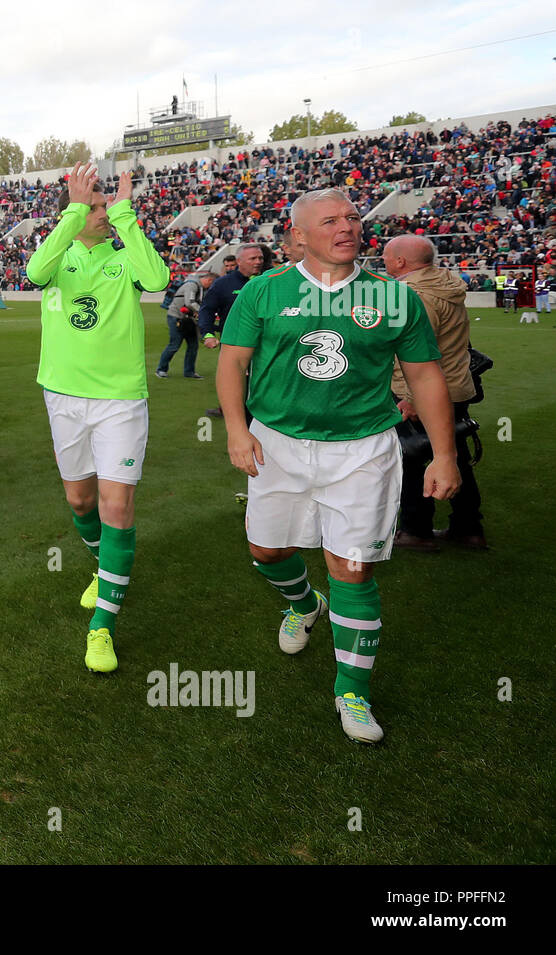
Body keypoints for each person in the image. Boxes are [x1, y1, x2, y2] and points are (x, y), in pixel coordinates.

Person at [215, 188, 460, 744]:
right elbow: (233, 364)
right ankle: (305, 603)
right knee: (266, 552)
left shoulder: (393, 298)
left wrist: (444, 454)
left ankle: (352, 690)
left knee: (353, 568)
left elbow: (424, 375)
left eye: (352, 217)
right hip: (276, 444)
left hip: (362, 449)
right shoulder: (263, 292)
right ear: (299, 235)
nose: (347, 226)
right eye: (330, 220)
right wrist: (235, 428)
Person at [26, 162, 170, 673]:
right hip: (63, 396)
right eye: (100, 206)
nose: (106, 213)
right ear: (76, 211)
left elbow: (157, 277)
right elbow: (33, 273)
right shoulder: (58, 253)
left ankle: (102, 627)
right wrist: (72, 208)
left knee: (117, 505)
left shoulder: (125, 255)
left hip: (120, 401)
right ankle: (102, 566)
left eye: (109, 206)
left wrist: (127, 214)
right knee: (80, 500)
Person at [383, 235, 486, 551]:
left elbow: (416, 353)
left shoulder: (414, 294)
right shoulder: (446, 283)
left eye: (386, 257)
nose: (383, 263)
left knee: (411, 458)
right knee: (454, 458)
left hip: (423, 391)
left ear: (401, 261)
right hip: (455, 385)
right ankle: (468, 528)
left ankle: (416, 530)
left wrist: (412, 398)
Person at [199, 243, 266, 417]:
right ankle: (234, 415)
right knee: (235, 382)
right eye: (253, 258)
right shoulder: (223, 284)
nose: (258, 262)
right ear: (239, 261)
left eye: (260, 258)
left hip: (266, 343)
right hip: (234, 343)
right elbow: (207, 309)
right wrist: (208, 333)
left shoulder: (269, 280)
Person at [156, 269, 213, 379]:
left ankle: (189, 372)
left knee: (193, 346)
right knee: (174, 345)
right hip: (176, 317)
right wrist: (202, 312)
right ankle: (161, 370)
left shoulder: (198, 286)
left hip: (187, 319)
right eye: (211, 283)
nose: (210, 287)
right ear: (208, 279)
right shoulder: (192, 285)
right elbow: (189, 302)